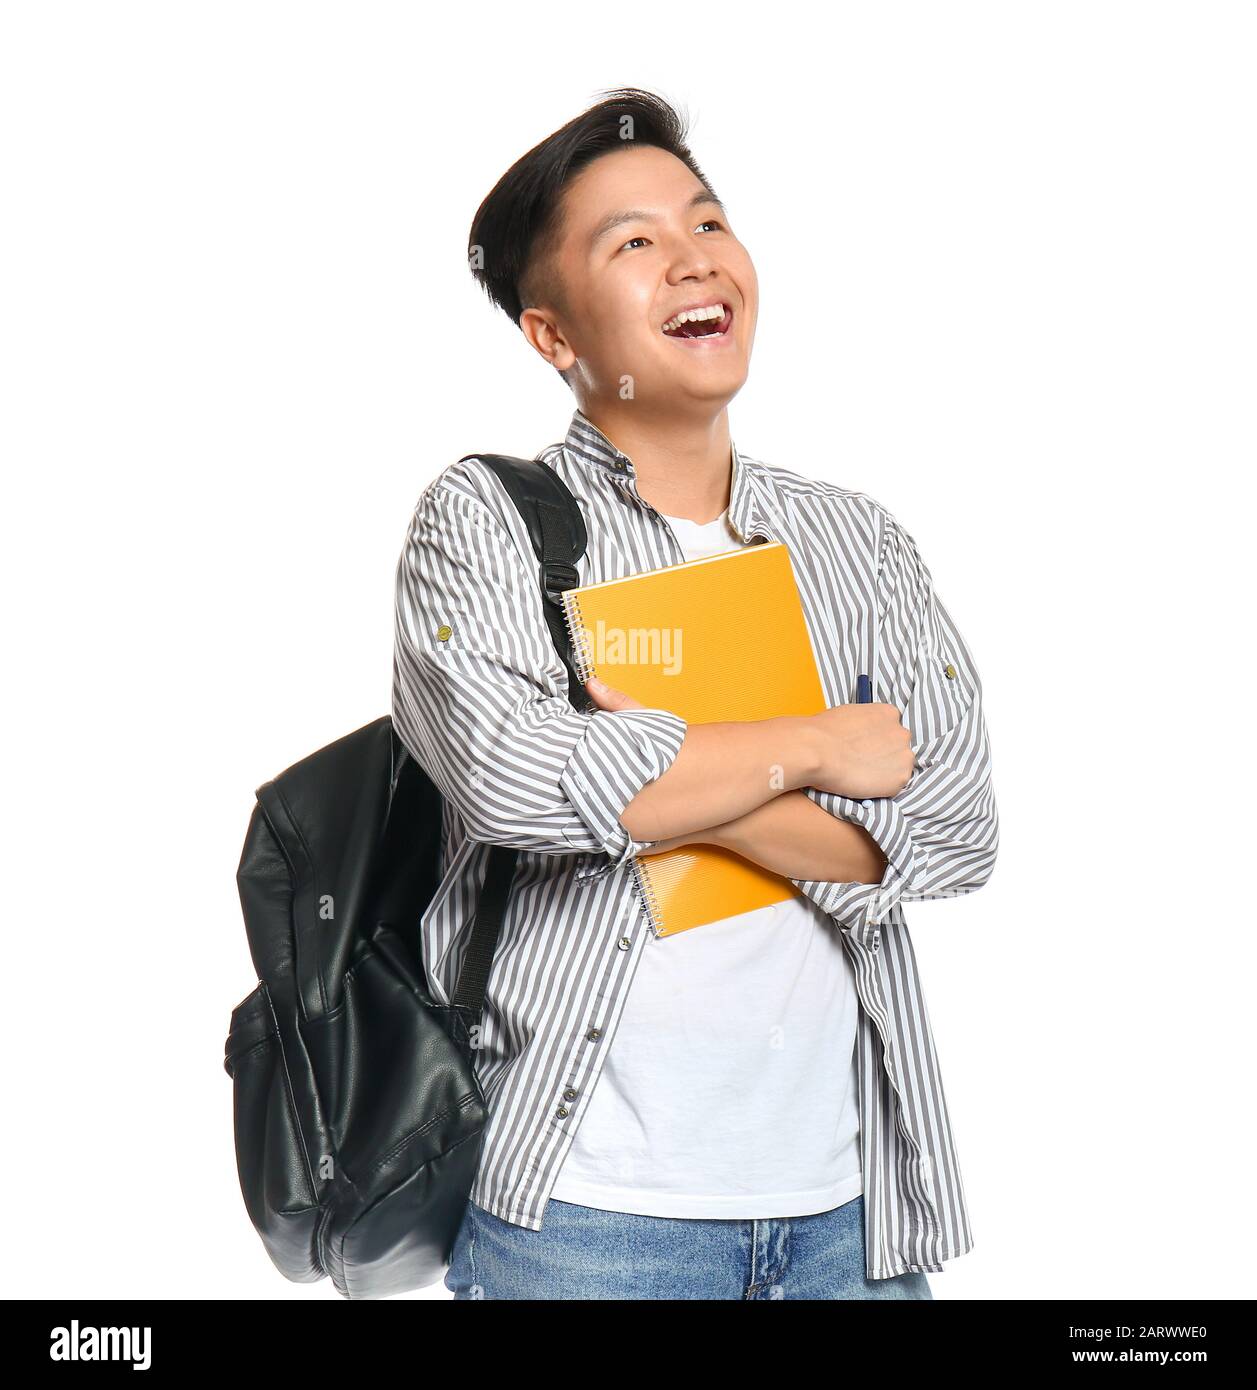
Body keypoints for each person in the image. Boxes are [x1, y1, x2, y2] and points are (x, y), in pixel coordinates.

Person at [391, 88, 999, 1300]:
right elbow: (518, 781)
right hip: (585, 1227)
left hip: (852, 1224)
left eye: (706, 223)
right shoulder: (484, 523)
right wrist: (820, 746)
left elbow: (956, 828)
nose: (692, 261)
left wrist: (669, 784)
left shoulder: (854, 541)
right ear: (553, 336)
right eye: (635, 243)